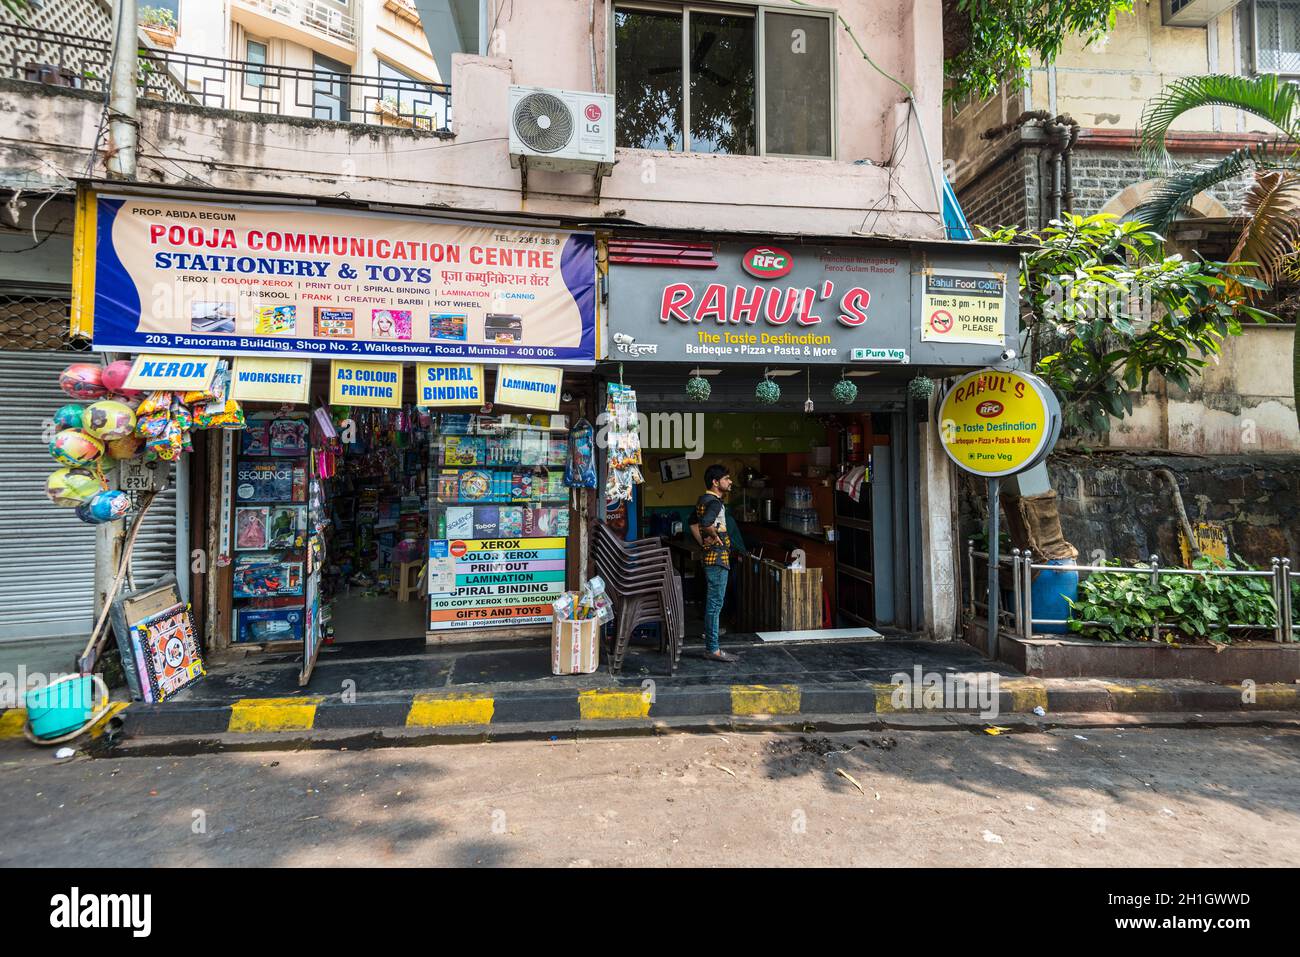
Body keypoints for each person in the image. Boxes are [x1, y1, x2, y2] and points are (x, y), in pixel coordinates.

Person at [689, 464, 738, 663]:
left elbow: (693, 522)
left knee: (712, 603)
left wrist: (703, 543)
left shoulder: (703, 499)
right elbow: (706, 523)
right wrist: (715, 538)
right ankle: (713, 649)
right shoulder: (716, 502)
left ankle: (712, 646)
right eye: (726, 478)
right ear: (715, 483)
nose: (730, 481)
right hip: (718, 558)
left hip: (709, 557)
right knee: (715, 604)